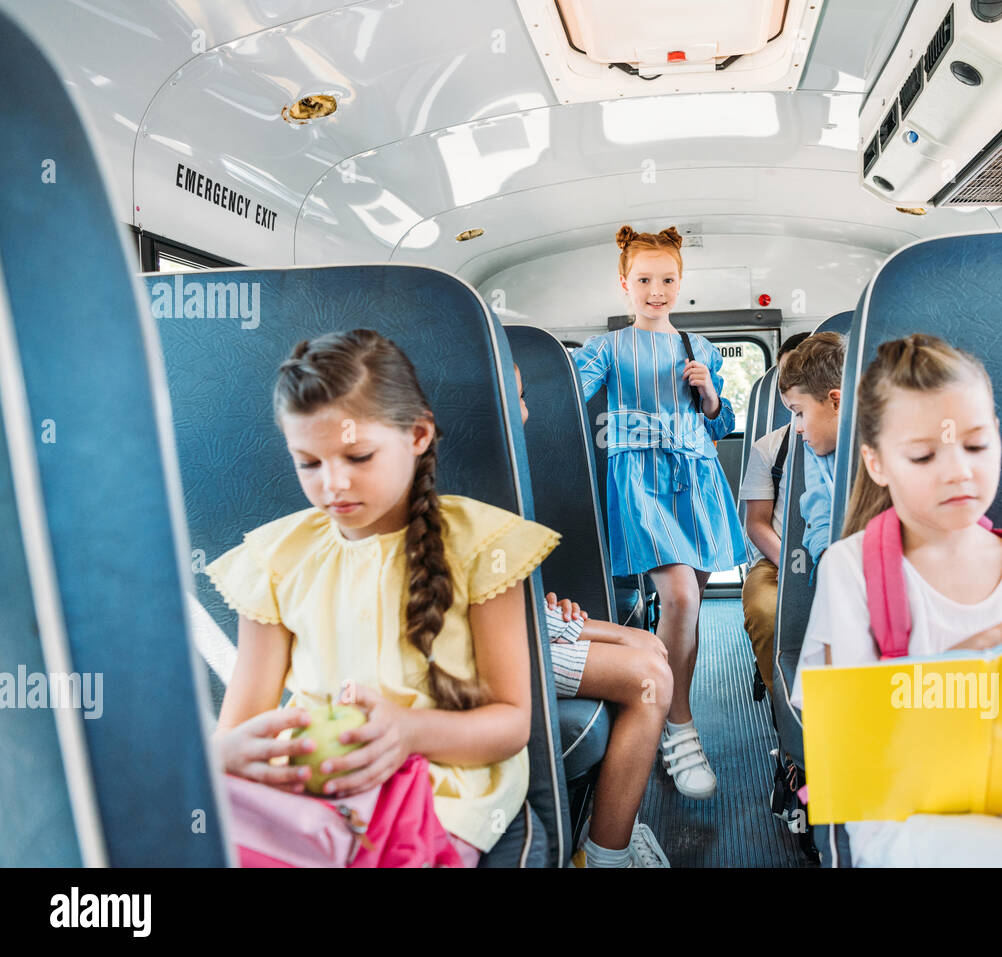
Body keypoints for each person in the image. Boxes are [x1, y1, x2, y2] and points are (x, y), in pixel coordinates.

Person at [209, 329, 553, 868]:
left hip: (439, 791)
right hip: (311, 784)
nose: (333, 485)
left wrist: (408, 731)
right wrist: (221, 754)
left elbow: (510, 724)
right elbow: (242, 724)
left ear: (417, 434)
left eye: (358, 455)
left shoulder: (481, 546)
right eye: (309, 463)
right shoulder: (275, 557)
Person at [791, 333, 1002, 867]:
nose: (958, 471)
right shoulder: (853, 570)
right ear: (878, 464)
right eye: (925, 455)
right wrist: (967, 661)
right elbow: (855, 747)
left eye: (976, 446)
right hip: (907, 816)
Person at [570, 225, 748, 800]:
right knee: (680, 598)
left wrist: (711, 394)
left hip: (696, 479)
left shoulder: (700, 349)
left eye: (667, 280)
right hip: (640, 479)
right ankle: (679, 728)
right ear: (624, 285)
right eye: (644, 280)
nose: (656, 290)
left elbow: (720, 426)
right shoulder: (608, 348)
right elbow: (573, 392)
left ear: (681, 283)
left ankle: (670, 711)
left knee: (688, 610)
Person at [513, 364, 672, 867]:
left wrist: (559, 618)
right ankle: (606, 856)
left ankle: (617, 830)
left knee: (649, 648)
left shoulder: (500, 467)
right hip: (509, 647)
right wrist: (559, 624)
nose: (524, 410)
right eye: (513, 396)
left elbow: (520, 600)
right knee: (649, 676)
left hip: (532, 627)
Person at [737, 331, 809, 699]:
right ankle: (783, 706)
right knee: (766, 611)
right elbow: (757, 524)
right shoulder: (769, 449)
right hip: (776, 559)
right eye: (785, 377)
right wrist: (794, 569)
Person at [778, 332, 845, 572]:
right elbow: (818, 510)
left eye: (799, 413)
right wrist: (828, 558)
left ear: (835, 402)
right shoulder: (815, 451)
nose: (798, 428)